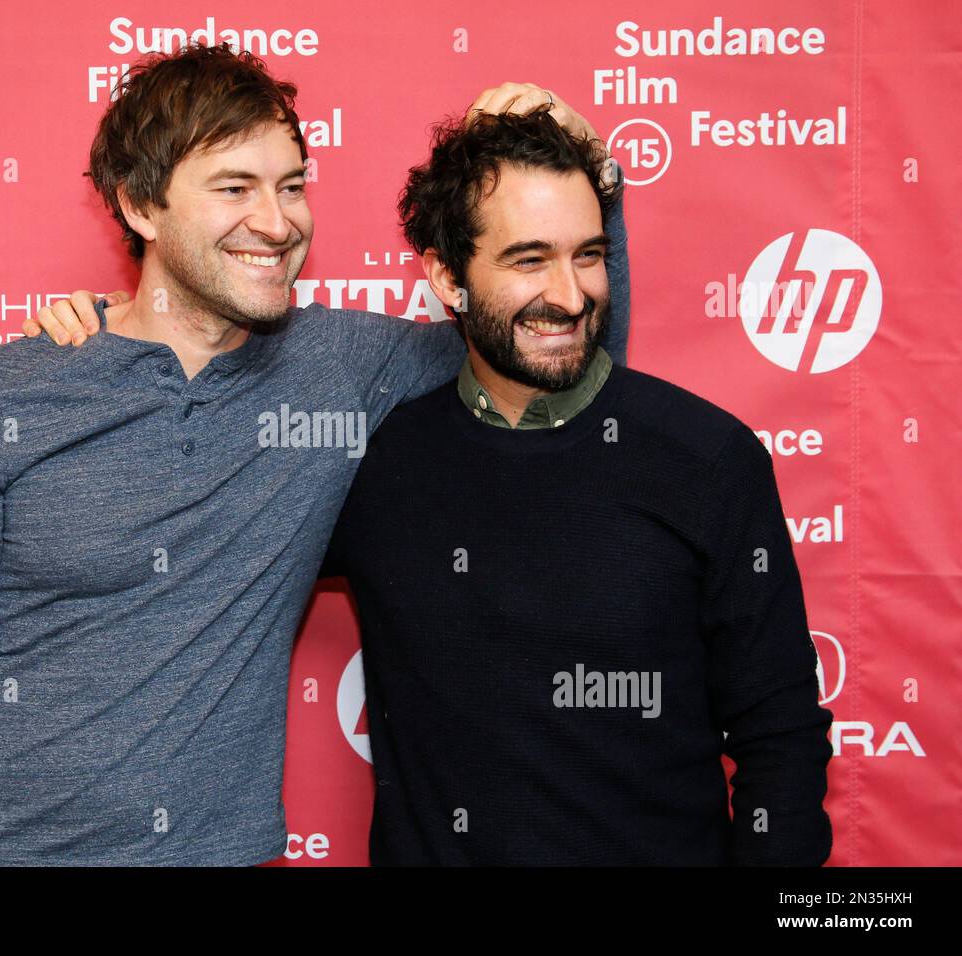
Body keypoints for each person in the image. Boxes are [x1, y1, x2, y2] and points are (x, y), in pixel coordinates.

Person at [0, 44, 631, 865]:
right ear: (141, 206)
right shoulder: (9, 393)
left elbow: (557, 352)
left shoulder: (343, 368)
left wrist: (601, 192)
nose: (277, 220)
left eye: (291, 185)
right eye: (234, 188)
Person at [317, 108, 834, 865]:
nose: (570, 293)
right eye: (528, 260)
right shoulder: (374, 464)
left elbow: (780, 737)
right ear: (446, 277)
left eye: (587, 254)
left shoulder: (708, 457)